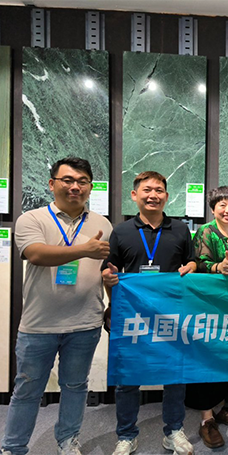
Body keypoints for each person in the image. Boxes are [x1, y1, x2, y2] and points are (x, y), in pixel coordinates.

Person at [1, 157, 112, 455]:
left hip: (85, 323)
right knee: (27, 389)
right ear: (52, 184)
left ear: (90, 187)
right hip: (39, 325)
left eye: (82, 181)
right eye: (68, 180)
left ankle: (67, 440)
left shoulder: (102, 224)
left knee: (76, 386)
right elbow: (36, 254)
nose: (75, 186)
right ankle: (13, 447)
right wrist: (84, 249)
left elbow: (101, 267)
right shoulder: (32, 219)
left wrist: (108, 282)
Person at [101, 171, 196, 455]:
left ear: (167, 196)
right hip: (134, 317)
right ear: (134, 195)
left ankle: (174, 431)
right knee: (128, 379)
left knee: (175, 377)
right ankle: (126, 435)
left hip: (172, 316)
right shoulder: (121, 231)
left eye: (159, 190)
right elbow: (109, 270)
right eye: (146, 190)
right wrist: (109, 283)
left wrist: (192, 266)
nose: (153, 195)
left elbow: (191, 262)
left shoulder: (180, 229)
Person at [187, 186, 228, 449]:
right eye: (222, 205)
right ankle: (206, 419)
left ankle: (219, 407)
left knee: (225, 357)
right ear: (213, 209)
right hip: (209, 307)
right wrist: (217, 267)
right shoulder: (206, 231)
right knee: (207, 359)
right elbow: (198, 263)